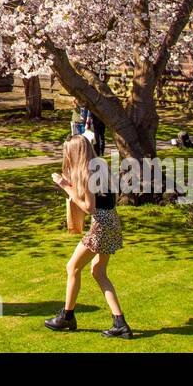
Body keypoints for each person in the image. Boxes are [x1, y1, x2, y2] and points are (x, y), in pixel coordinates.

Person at [45, 135, 131, 338]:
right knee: (98, 272)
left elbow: (89, 207)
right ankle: (120, 323)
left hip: (100, 225)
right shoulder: (100, 167)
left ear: (75, 153)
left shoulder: (87, 173)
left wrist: (65, 187)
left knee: (72, 267)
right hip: (112, 222)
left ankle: (67, 316)